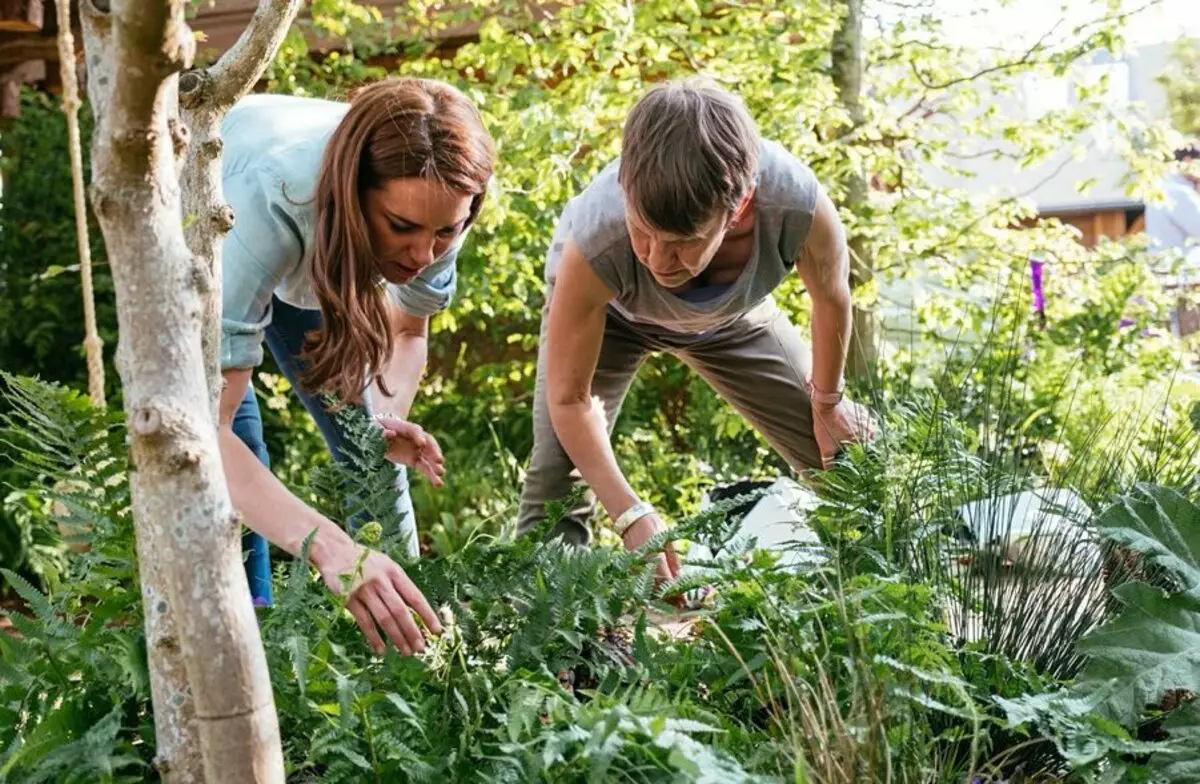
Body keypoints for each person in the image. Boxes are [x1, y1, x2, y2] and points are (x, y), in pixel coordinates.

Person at [516, 78, 875, 581]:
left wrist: (828, 403)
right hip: (613, 318)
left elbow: (832, 299)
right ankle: (551, 643)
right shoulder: (596, 241)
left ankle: (877, 602)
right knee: (555, 483)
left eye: (684, 241)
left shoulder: (797, 207)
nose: (657, 259)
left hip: (731, 320)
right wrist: (630, 514)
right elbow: (571, 400)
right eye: (642, 232)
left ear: (741, 207)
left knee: (850, 460)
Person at [217, 77, 496, 656]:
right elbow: (205, 434)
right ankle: (255, 637)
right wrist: (330, 549)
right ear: (354, 193)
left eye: (445, 233)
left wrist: (383, 422)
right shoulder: (266, 208)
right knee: (238, 437)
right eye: (403, 229)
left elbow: (407, 329)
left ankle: (414, 649)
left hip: (326, 251)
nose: (424, 257)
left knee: (367, 446)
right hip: (219, 227)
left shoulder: (439, 200)